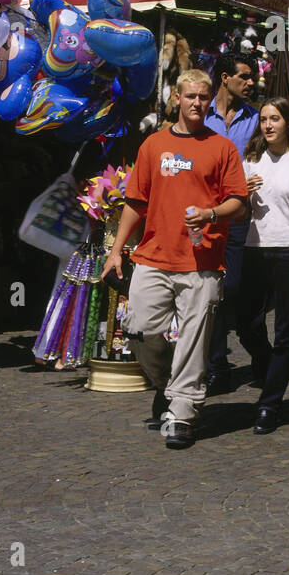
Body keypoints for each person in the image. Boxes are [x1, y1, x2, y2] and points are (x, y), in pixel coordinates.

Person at [103, 71, 249, 450]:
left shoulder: (222, 148)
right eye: (190, 97)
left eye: (203, 97)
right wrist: (117, 250)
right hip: (153, 255)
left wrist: (211, 214)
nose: (197, 103)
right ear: (176, 99)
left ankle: (183, 413)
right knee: (138, 330)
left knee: (193, 340)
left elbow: (239, 202)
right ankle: (171, 385)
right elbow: (136, 202)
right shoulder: (153, 145)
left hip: (202, 262)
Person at [235, 98, 289, 434]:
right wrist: (240, 193)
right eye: (263, 120)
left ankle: (269, 405)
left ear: (288, 123)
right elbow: (239, 210)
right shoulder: (250, 161)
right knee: (245, 323)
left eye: (275, 119)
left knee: (285, 331)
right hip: (255, 248)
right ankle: (273, 367)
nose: (268, 125)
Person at [203, 53, 260, 395]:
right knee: (207, 289)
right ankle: (215, 364)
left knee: (233, 287)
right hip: (204, 216)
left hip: (239, 216)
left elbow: (268, 158)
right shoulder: (201, 115)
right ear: (225, 78)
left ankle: (248, 346)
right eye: (245, 76)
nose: (251, 82)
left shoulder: (255, 119)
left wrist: (253, 177)